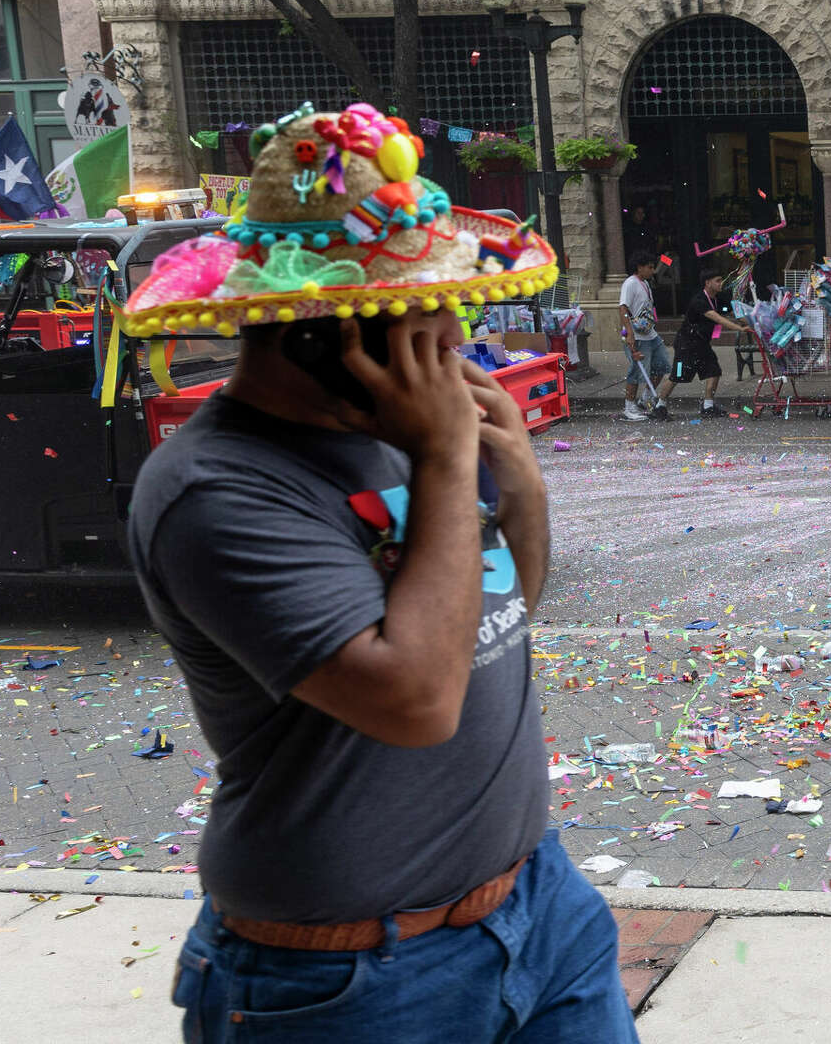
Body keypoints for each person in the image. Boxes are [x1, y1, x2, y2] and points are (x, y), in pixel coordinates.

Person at [118, 102, 636, 1042]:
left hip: (539, 910)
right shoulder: (216, 490)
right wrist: (444, 462)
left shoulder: (395, 429)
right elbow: (416, 700)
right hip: (351, 979)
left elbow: (496, 615)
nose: (453, 336)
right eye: (425, 308)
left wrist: (516, 487)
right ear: (323, 334)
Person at [654, 266, 749, 419]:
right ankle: (660, 406)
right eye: (717, 281)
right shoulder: (699, 300)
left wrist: (753, 322)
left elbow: (733, 313)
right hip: (686, 344)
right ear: (707, 283)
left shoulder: (718, 299)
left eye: (721, 281)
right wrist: (740, 329)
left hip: (702, 343)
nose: (720, 284)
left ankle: (708, 406)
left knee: (714, 371)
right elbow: (717, 318)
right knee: (677, 375)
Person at [618, 251, 674, 421]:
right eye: (649, 267)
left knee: (662, 366)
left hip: (650, 334)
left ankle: (645, 398)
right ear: (639, 267)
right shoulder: (630, 284)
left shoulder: (646, 284)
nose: (652, 270)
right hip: (637, 335)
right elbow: (623, 309)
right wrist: (629, 334)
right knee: (636, 371)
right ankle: (629, 407)